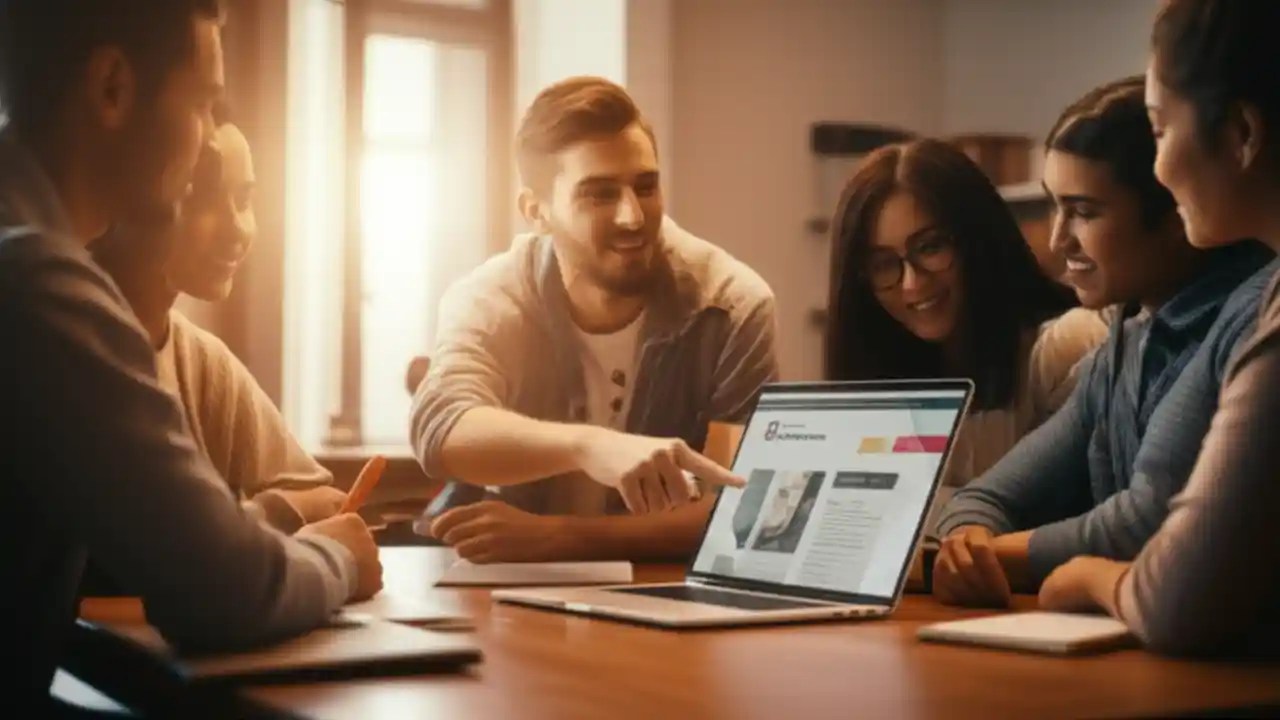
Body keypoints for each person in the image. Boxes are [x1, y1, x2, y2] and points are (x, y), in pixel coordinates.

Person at [0, 0, 381, 708]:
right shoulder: (39, 289)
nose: (208, 137)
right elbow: (225, 591)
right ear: (113, 87)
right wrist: (339, 559)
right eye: (203, 103)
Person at [931, 75, 1277, 608]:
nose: (1057, 239)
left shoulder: (1249, 312)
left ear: (1175, 212)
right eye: (1054, 206)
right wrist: (967, 539)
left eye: (1085, 211)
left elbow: (1148, 519)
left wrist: (990, 556)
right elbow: (990, 494)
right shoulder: (1124, 337)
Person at [411, 76, 773, 563]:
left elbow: (738, 505)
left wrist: (560, 537)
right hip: (510, 597)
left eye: (645, 187)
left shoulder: (731, 305)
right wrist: (591, 447)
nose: (632, 217)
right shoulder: (493, 296)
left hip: (660, 591)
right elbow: (442, 431)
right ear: (535, 211)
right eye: (599, 195)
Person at [1038, 0, 1280, 658]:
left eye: (1160, 130)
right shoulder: (1122, 336)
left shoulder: (1259, 305)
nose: (1161, 170)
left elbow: (1177, 599)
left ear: (1241, 133)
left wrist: (1093, 575)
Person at [93, 105, 346, 534]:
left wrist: (244, 522)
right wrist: (248, 524)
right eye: (203, 199)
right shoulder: (68, 340)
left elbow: (329, 500)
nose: (236, 230)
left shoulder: (201, 360)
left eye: (244, 200)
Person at [826, 138, 1107, 491]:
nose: (912, 284)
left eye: (930, 247)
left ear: (977, 237)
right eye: (883, 264)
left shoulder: (1062, 348)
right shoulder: (889, 380)